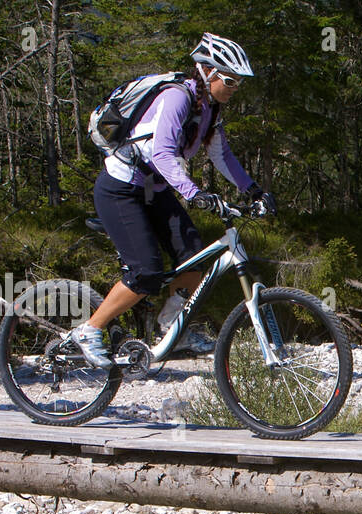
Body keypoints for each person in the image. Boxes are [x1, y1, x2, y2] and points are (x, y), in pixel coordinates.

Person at [72, 33, 275, 368]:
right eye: (230, 80)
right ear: (208, 72)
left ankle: (172, 327)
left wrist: (253, 189)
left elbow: (222, 155)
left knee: (194, 256)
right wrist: (195, 194)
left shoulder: (211, 108)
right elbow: (164, 155)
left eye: (239, 82)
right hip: (120, 189)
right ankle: (90, 329)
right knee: (146, 272)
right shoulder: (176, 98)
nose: (235, 87)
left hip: (156, 191)